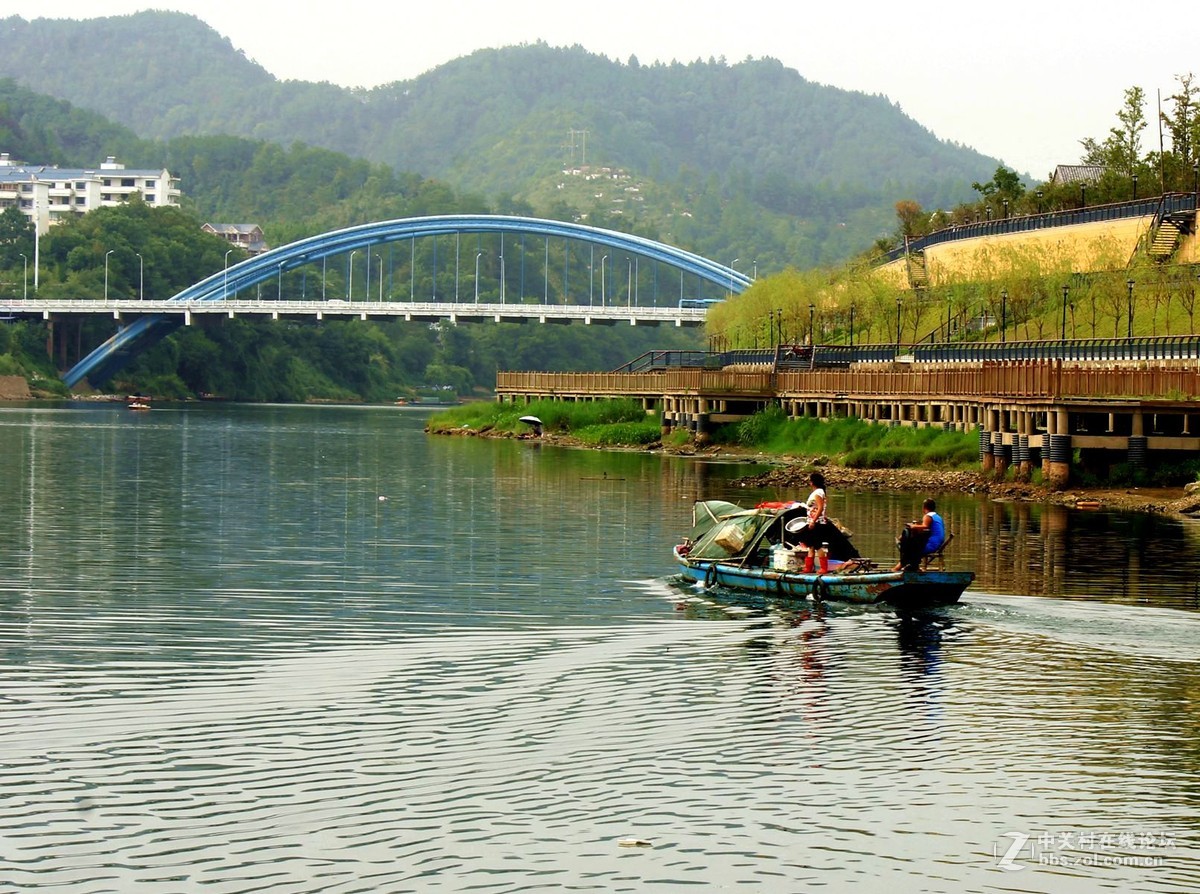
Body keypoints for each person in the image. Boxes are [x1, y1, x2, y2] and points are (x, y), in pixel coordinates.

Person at [893, 498, 945, 571]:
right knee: (911, 545)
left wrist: (913, 526)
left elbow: (925, 526)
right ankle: (914, 567)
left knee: (909, 549)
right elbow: (926, 529)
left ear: (924, 507)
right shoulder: (937, 516)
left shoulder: (928, 516)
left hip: (931, 545)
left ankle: (897, 569)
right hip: (937, 544)